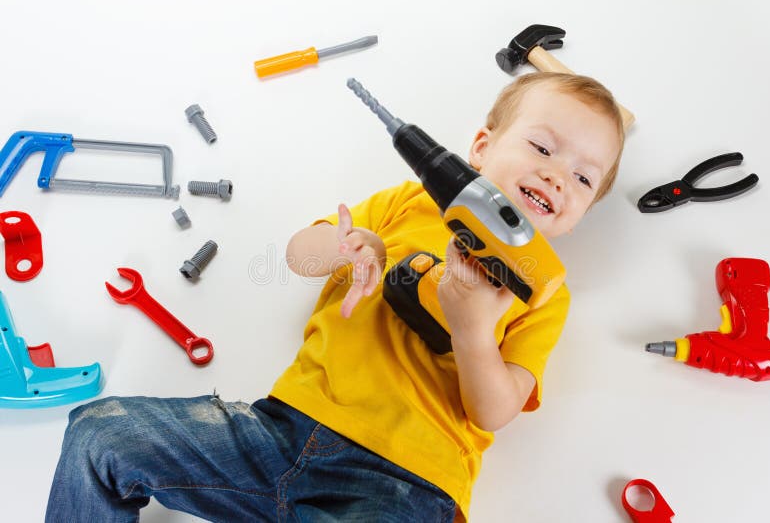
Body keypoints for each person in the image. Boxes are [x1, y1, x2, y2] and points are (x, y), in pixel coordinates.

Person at [45, 72, 624, 522]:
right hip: (279, 433)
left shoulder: (543, 290)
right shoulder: (409, 203)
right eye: (543, 149)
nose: (555, 177)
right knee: (100, 436)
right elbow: (300, 256)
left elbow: (495, 411)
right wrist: (355, 244)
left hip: (403, 482)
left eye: (582, 178)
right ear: (479, 147)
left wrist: (473, 335)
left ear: (578, 218)